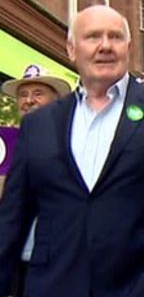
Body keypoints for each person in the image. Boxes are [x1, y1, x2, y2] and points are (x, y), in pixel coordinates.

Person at [0, 5, 144, 297]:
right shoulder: (39, 124)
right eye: (93, 37)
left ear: (128, 47)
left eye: (115, 37)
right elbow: (14, 214)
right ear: (72, 49)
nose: (105, 46)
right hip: (54, 284)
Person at [0, 64, 72, 296]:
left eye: (38, 94)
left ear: (56, 100)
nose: (29, 100)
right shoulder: (8, 144)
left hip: (60, 262)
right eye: (23, 94)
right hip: (16, 260)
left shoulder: (73, 140)